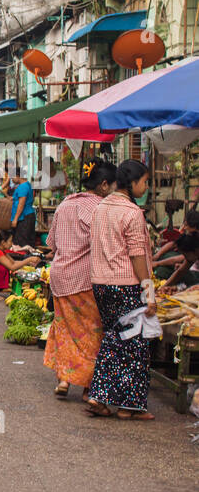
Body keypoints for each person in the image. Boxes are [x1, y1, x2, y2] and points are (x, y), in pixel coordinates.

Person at [86, 160, 156, 421]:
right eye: (145, 182)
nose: (146, 187)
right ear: (133, 182)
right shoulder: (131, 213)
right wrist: (148, 290)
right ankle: (130, 406)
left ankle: (100, 396)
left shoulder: (101, 206)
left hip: (101, 283)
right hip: (126, 284)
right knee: (135, 344)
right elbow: (138, 255)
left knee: (113, 339)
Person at [44, 162, 115, 401]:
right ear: (104, 185)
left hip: (60, 276)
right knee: (91, 332)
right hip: (85, 279)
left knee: (65, 328)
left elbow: (51, 243)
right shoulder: (100, 207)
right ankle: (88, 387)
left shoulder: (66, 203)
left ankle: (64, 378)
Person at [10, 168, 38, 247]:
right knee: (28, 242)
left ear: (18, 176)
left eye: (12, 177)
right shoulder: (27, 184)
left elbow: (21, 204)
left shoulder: (23, 186)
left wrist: (15, 219)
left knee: (22, 243)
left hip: (24, 217)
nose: (11, 179)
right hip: (28, 215)